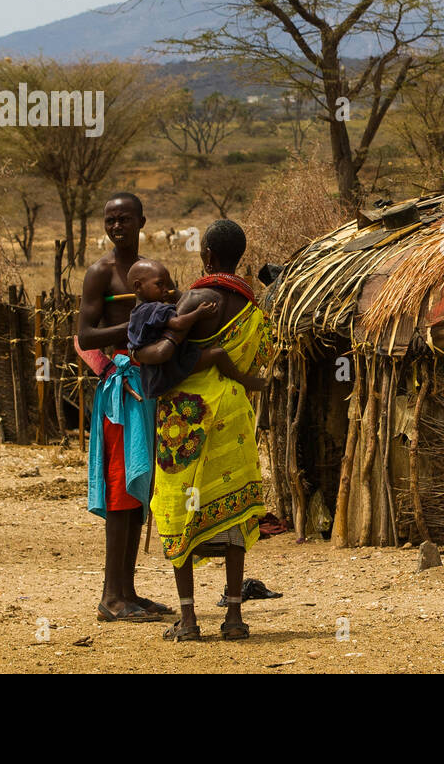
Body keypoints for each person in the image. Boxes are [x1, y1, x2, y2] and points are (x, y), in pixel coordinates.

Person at [152, 219, 271, 642]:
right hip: (235, 413)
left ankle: (188, 620)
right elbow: (260, 360)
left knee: (178, 508)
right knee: (234, 509)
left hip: (186, 419)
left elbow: (165, 357)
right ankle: (234, 618)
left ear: (207, 255)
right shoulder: (253, 309)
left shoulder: (194, 299)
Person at [77, 192, 171, 623]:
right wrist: (135, 323)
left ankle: (126, 591)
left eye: (125, 219)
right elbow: (86, 335)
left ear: (141, 222)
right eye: (110, 219)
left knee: (137, 490)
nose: (117, 227)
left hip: (147, 390)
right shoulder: (99, 274)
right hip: (120, 394)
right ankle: (111, 598)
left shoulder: (150, 273)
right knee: (120, 490)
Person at [124, 258, 268, 396]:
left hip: (154, 372)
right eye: (159, 284)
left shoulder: (138, 312)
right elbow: (178, 323)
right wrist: (198, 313)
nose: (166, 290)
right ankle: (243, 380)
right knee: (218, 353)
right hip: (170, 366)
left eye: (167, 285)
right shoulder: (155, 309)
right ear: (138, 286)